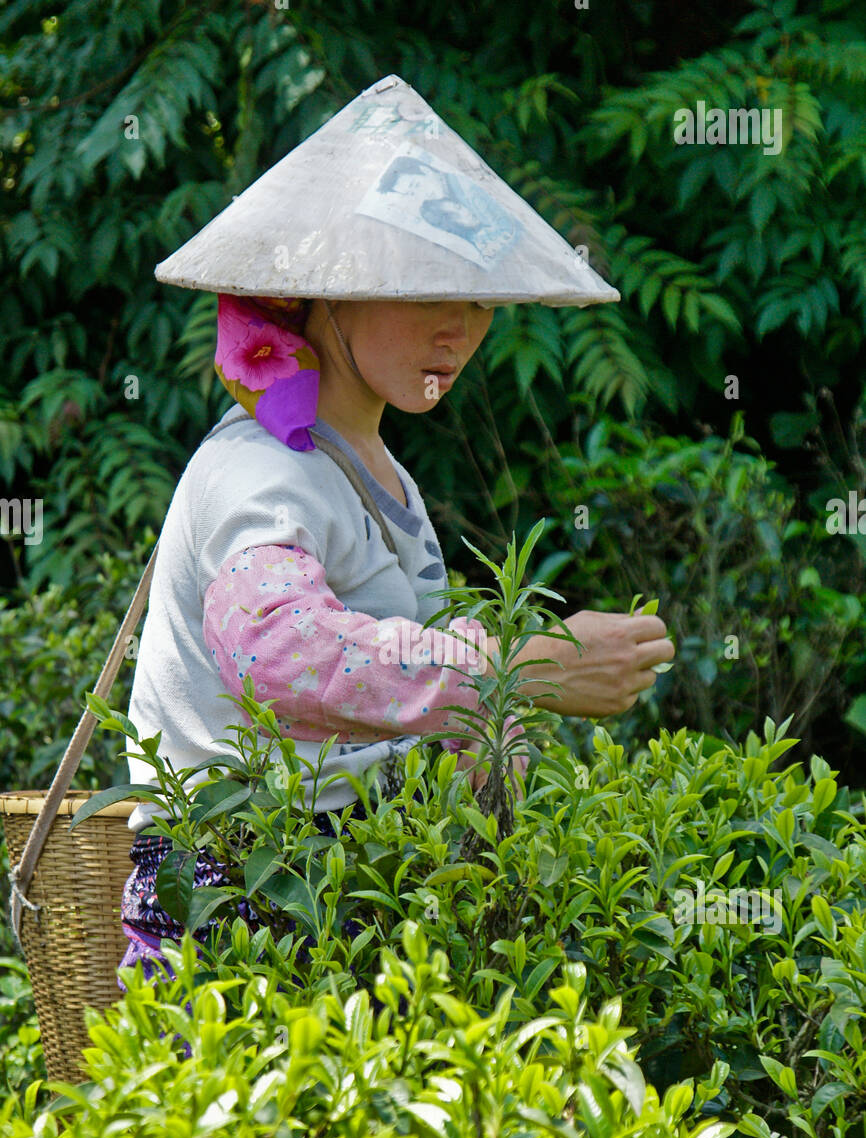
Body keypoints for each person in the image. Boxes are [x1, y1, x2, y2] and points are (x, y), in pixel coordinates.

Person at [116, 74, 674, 994]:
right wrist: (518, 670)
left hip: (338, 881)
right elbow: (278, 651)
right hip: (237, 896)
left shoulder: (372, 465)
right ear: (324, 292)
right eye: (425, 291)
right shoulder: (262, 467)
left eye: (481, 300)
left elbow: (391, 689)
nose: (460, 327)